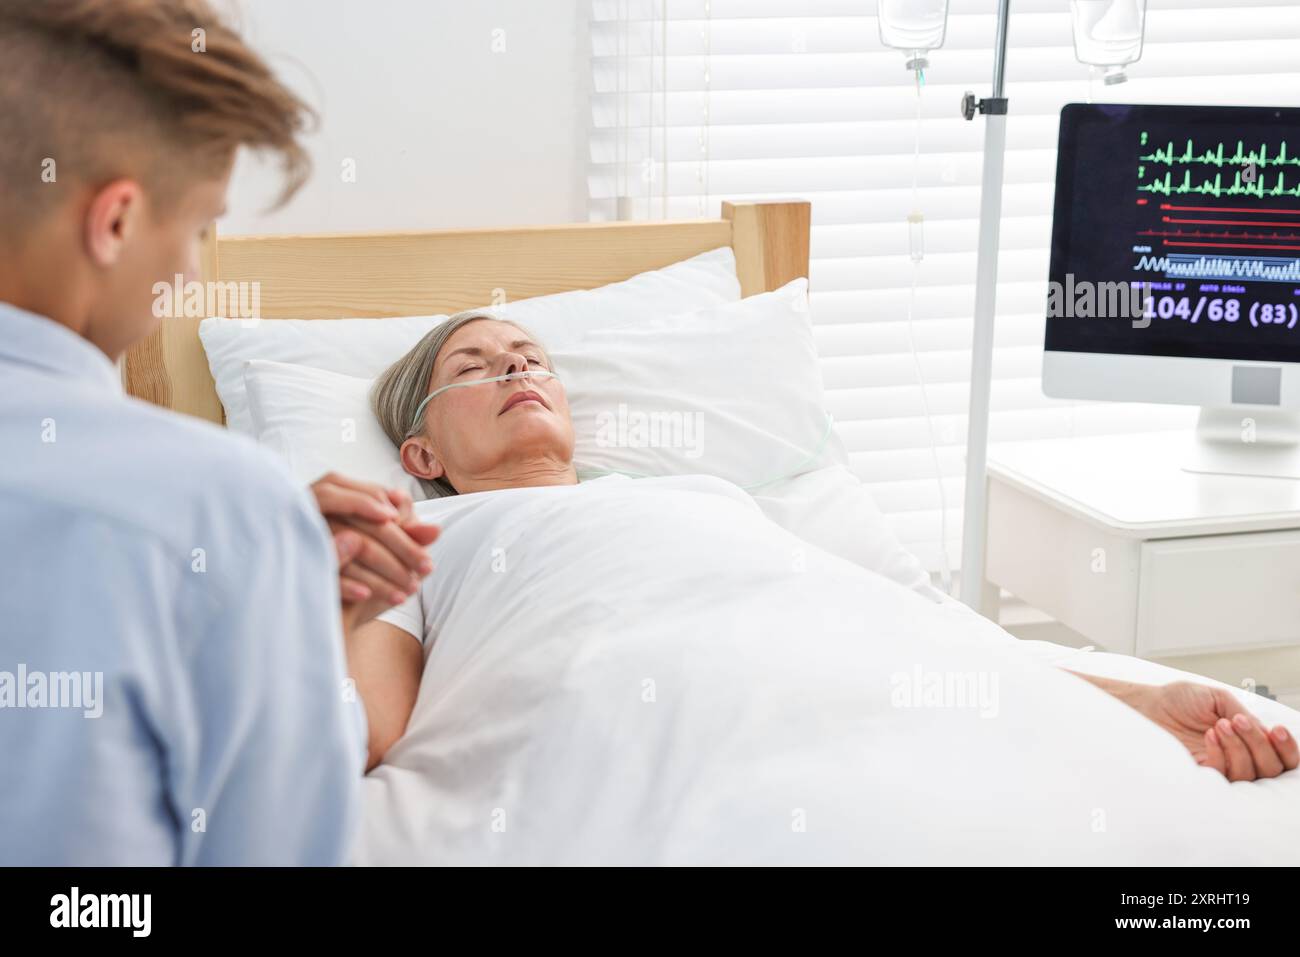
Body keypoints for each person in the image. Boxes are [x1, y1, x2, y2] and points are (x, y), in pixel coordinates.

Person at [352, 310, 1300, 783]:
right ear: (421, 452)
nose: (516, 367)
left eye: (529, 356)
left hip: (836, 719)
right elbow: (371, 734)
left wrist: (1138, 704)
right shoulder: (426, 535)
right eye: (473, 367)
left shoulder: (700, 498)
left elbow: (898, 637)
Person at [0, 0, 437, 865]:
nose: (193, 270)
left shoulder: (227, 518)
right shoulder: (226, 508)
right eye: (200, 225)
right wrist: (255, 579)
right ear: (116, 221)